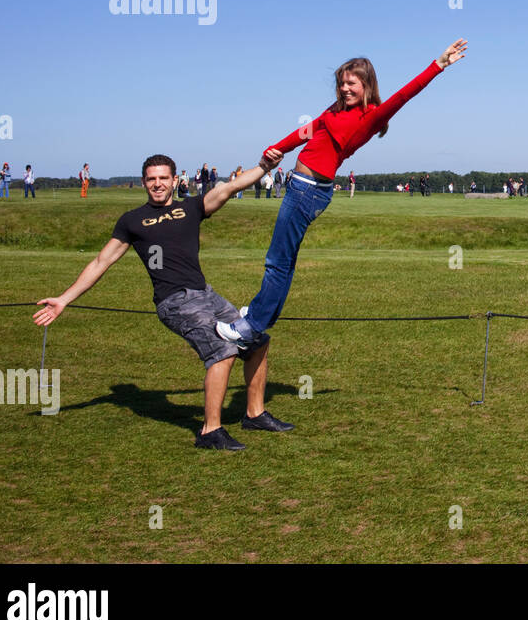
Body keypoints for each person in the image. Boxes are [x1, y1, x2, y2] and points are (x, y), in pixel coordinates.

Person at [215, 40, 467, 346]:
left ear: (367, 85)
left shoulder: (371, 116)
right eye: (341, 83)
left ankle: (251, 327)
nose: (345, 89)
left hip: (308, 192)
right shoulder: (335, 110)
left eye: (352, 83)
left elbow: (404, 95)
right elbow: (307, 131)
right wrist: (278, 148)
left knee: (277, 261)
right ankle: (261, 313)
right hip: (301, 187)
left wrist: (437, 65)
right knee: (285, 260)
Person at [32, 152, 287, 450]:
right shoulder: (132, 221)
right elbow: (101, 261)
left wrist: (264, 167)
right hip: (175, 302)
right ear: (143, 182)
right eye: (151, 179)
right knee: (223, 349)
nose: (157, 184)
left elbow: (227, 189)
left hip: (205, 293)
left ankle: (254, 414)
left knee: (256, 340)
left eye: (163, 178)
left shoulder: (191, 207)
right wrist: (64, 299)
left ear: (175, 180)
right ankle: (210, 431)